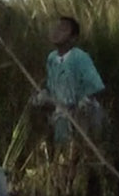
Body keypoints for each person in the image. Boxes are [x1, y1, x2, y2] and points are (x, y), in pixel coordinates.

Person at [32, 15, 105, 145]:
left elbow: (96, 86)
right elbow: (52, 85)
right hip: (61, 113)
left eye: (63, 29)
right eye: (56, 27)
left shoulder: (80, 57)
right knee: (63, 146)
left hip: (82, 112)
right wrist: (44, 95)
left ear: (73, 38)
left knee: (84, 145)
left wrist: (83, 102)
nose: (57, 31)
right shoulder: (52, 58)